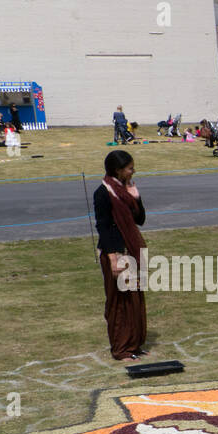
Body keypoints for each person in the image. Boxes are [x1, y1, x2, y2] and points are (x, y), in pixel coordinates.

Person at [93, 150, 148, 360]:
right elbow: (104, 227)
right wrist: (113, 259)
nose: (133, 171)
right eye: (130, 168)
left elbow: (140, 220)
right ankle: (121, 347)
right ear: (118, 170)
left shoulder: (127, 190)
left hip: (132, 250)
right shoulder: (103, 192)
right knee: (119, 303)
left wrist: (137, 198)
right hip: (115, 252)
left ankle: (134, 344)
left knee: (134, 300)